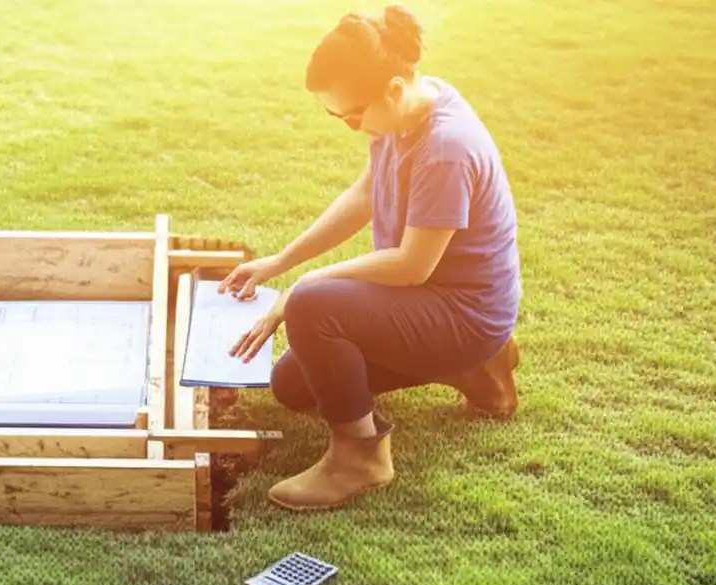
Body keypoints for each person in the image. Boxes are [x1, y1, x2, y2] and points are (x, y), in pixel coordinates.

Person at [218, 4, 522, 512]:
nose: (349, 125)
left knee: (313, 305)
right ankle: (477, 368)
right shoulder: (409, 107)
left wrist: (302, 287)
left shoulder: (445, 147)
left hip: (462, 312)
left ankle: (361, 458)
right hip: (435, 302)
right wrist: (280, 262)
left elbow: (411, 265)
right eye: (337, 115)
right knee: (293, 385)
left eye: (352, 114)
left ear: (393, 90)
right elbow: (364, 195)